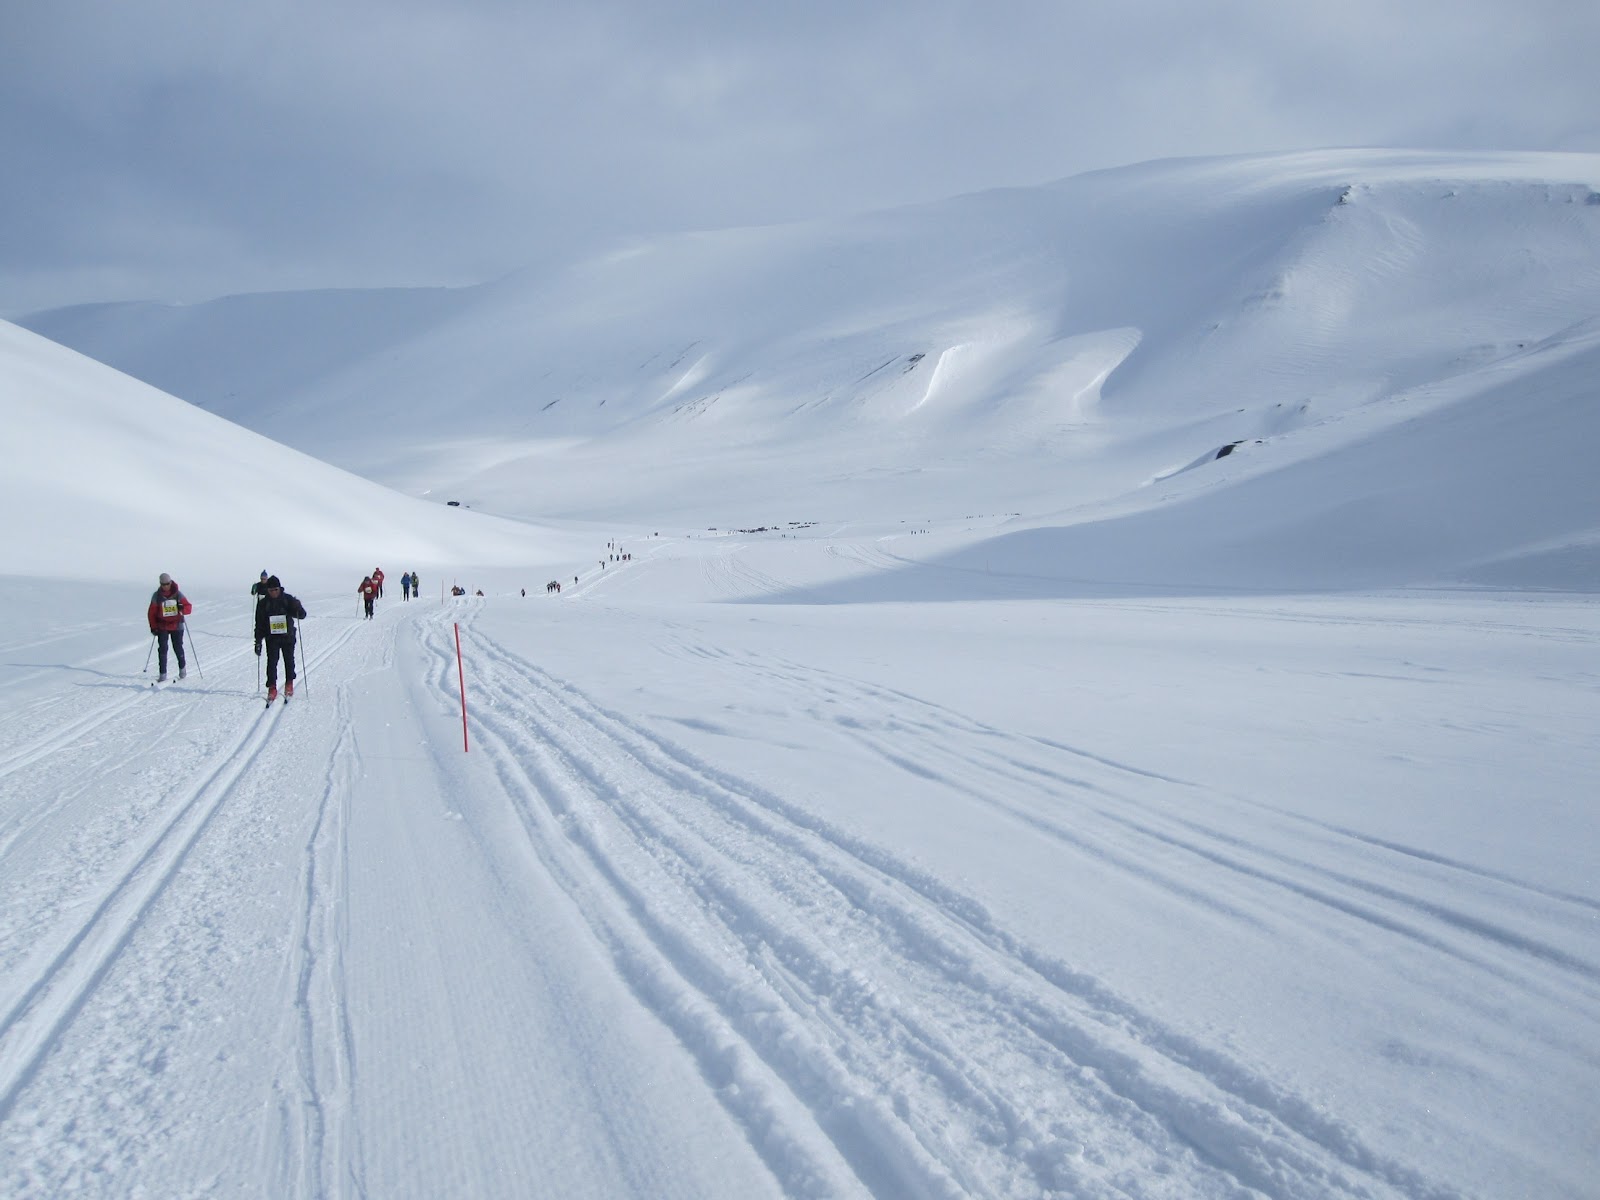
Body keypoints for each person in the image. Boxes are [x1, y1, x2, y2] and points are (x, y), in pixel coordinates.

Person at [254, 576, 306, 702]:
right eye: (271, 590)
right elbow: (259, 624)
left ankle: (289, 683)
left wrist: (297, 607)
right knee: (272, 663)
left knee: (289, 661)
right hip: (271, 638)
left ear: (279, 588)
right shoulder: (263, 604)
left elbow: (302, 615)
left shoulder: (287, 599)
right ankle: (272, 687)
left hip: (287, 637)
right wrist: (258, 641)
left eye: (276, 590)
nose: (273, 592)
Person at [146, 572, 193, 682]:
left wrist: (182, 608)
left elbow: (188, 607)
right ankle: (163, 674)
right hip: (162, 626)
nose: (165, 586)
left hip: (177, 625)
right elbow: (151, 613)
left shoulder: (178, 594)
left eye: (167, 584)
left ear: (170, 582)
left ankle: (182, 671)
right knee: (162, 650)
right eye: (163, 584)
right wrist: (153, 627)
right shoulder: (156, 596)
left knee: (178, 648)